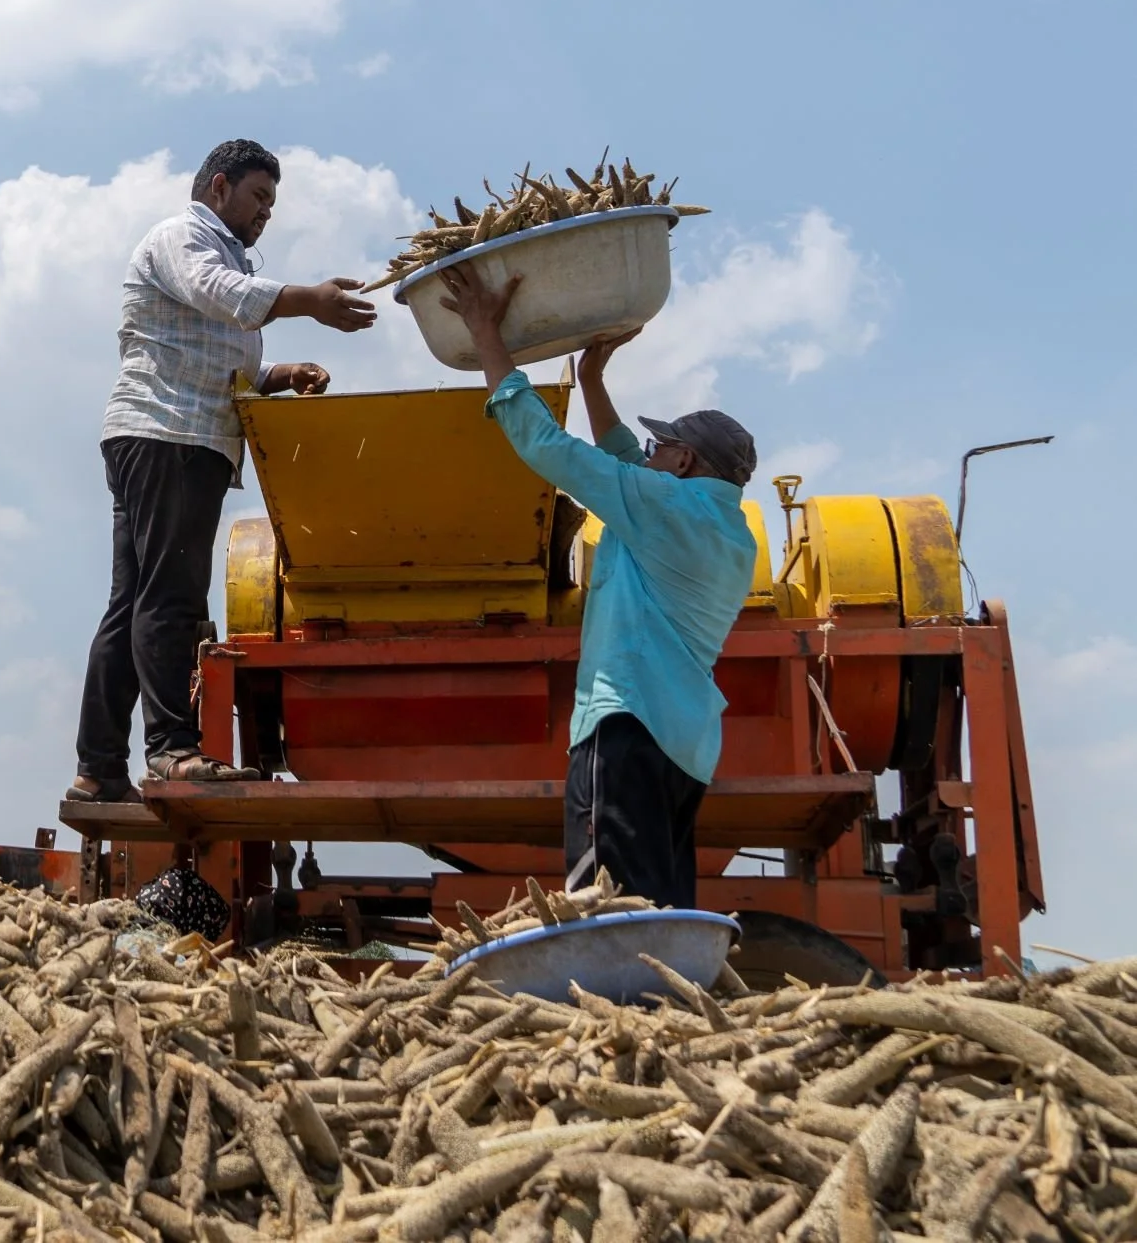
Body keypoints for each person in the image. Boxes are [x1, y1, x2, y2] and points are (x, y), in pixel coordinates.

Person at [439, 263, 759, 910]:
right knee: (656, 910)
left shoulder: (660, 504)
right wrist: (591, 378)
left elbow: (545, 444)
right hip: (684, 749)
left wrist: (485, 334)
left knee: (606, 908)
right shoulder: (731, 532)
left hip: (625, 727)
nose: (647, 453)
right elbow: (625, 461)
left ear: (683, 460)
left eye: (659, 445)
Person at [69, 139, 379, 802]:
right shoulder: (185, 237)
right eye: (259, 195)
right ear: (219, 187)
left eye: (272, 201)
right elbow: (221, 294)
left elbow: (214, 355)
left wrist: (276, 374)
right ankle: (172, 750)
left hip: (163, 434)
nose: (266, 211)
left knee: (136, 600)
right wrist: (310, 299)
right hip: (171, 435)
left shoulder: (218, 251)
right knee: (173, 597)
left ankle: (99, 767)